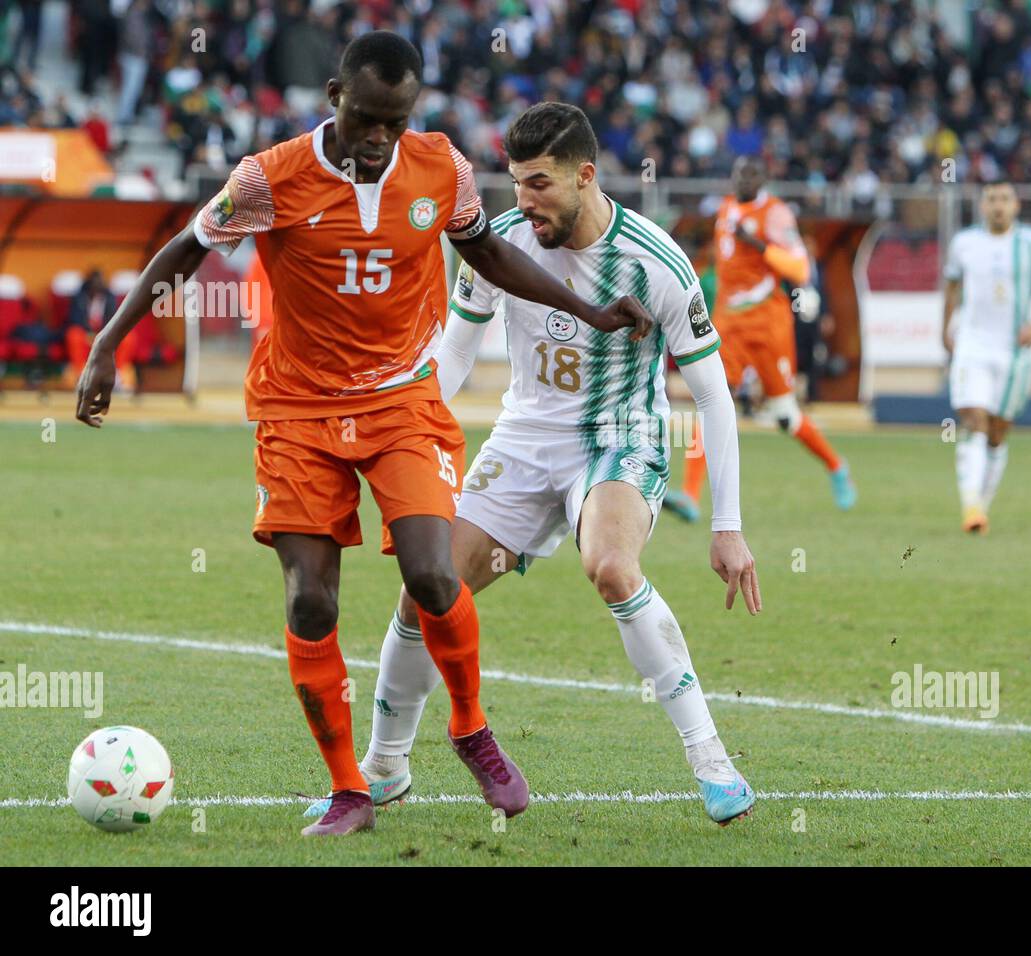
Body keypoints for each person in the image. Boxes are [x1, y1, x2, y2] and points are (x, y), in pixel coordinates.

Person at [74, 33, 650, 836]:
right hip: (297, 410)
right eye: (366, 117)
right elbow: (183, 251)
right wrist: (108, 346)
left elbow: (483, 248)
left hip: (400, 403)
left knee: (433, 574)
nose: (380, 137)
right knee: (311, 600)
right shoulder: (268, 178)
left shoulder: (440, 169)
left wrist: (586, 311)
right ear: (335, 94)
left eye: (396, 120)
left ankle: (471, 729)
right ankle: (351, 790)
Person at [306, 103, 762, 827]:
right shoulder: (500, 242)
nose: (523, 201)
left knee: (611, 566)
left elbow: (714, 397)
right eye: (516, 183)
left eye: (539, 184)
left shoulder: (657, 262)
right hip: (521, 441)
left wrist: (728, 526)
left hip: (617, 436)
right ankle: (385, 767)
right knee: (428, 588)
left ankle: (711, 760)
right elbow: (455, 353)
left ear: (585, 176)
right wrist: (399, 422)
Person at [664, 156, 855, 522]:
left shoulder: (776, 214)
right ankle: (690, 496)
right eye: (738, 173)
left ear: (764, 178)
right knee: (711, 400)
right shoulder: (725, 209)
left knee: (784, 415)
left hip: (768, 323)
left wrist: (761, 246)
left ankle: (836, 465)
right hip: (730, 325)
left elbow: (800, 269)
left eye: (751, 174)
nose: (743, 179)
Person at [941, 180, 1031, 533]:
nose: (998, 205)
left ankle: (982, 505)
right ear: (982, 206)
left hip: (1013, 351)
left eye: (1005, 199)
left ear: (1016, 205)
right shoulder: (964, 243)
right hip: (972, 344)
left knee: (998, 432)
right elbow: (952, 285)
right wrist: (944, 327)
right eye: (992, 199)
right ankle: (970, 507)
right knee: (973, 418)